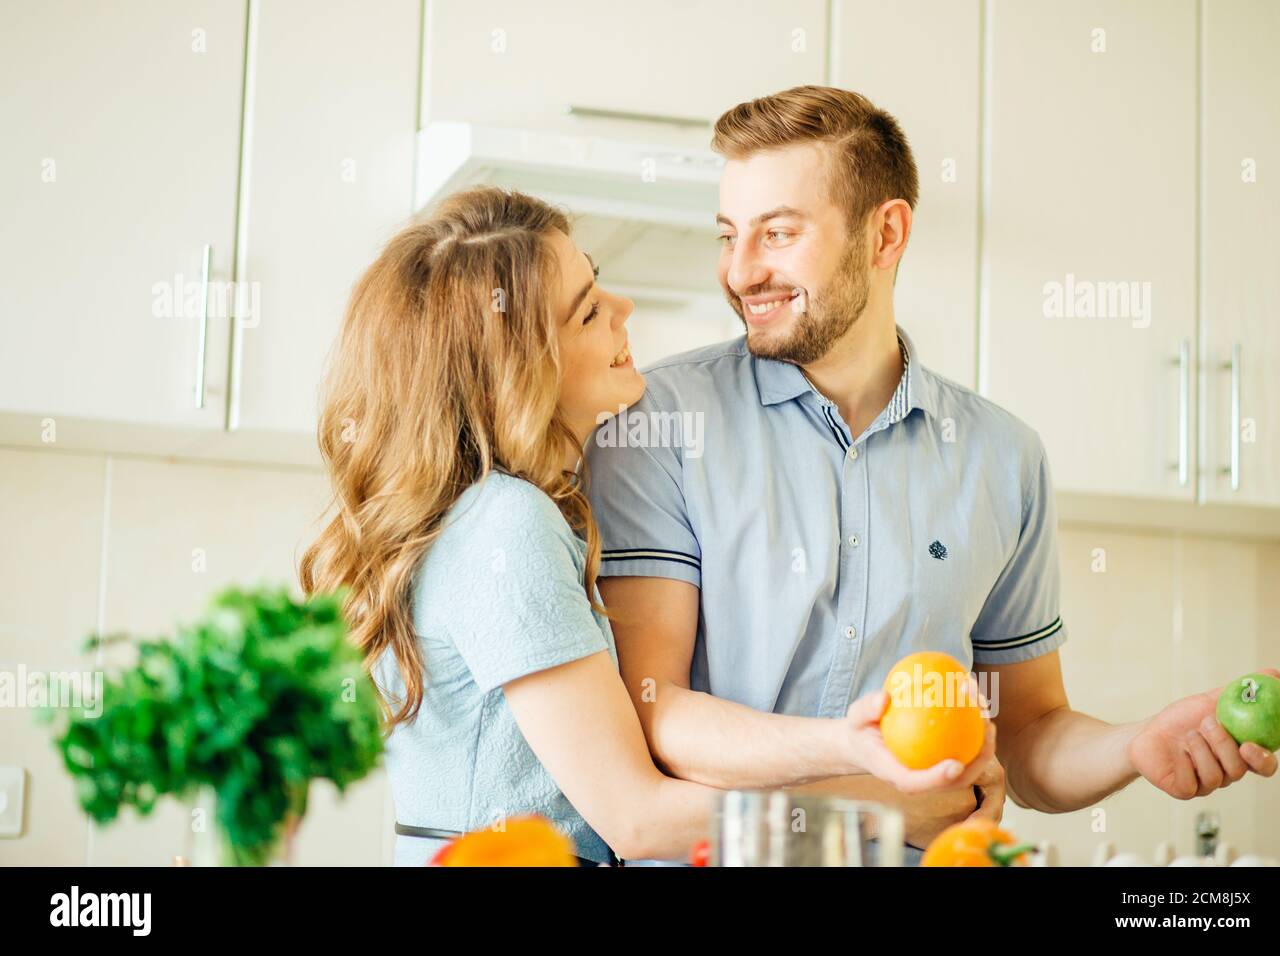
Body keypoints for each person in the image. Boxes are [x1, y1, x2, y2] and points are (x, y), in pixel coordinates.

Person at [583, 85, 1280, 867]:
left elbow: (1024, 734)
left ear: (886, 234)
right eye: (728, 235)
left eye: (776, 233)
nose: (741, 270)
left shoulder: (1002, 458)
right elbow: (657, 716)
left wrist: (1135, 746)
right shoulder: (658, 423)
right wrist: (867, 779)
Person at [299, 184, 994, 866]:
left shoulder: (494, 514)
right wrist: (880, 813)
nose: (623, 307)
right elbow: (638, 817)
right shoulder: (507, 525)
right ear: (508, 376)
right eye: (586, 313)